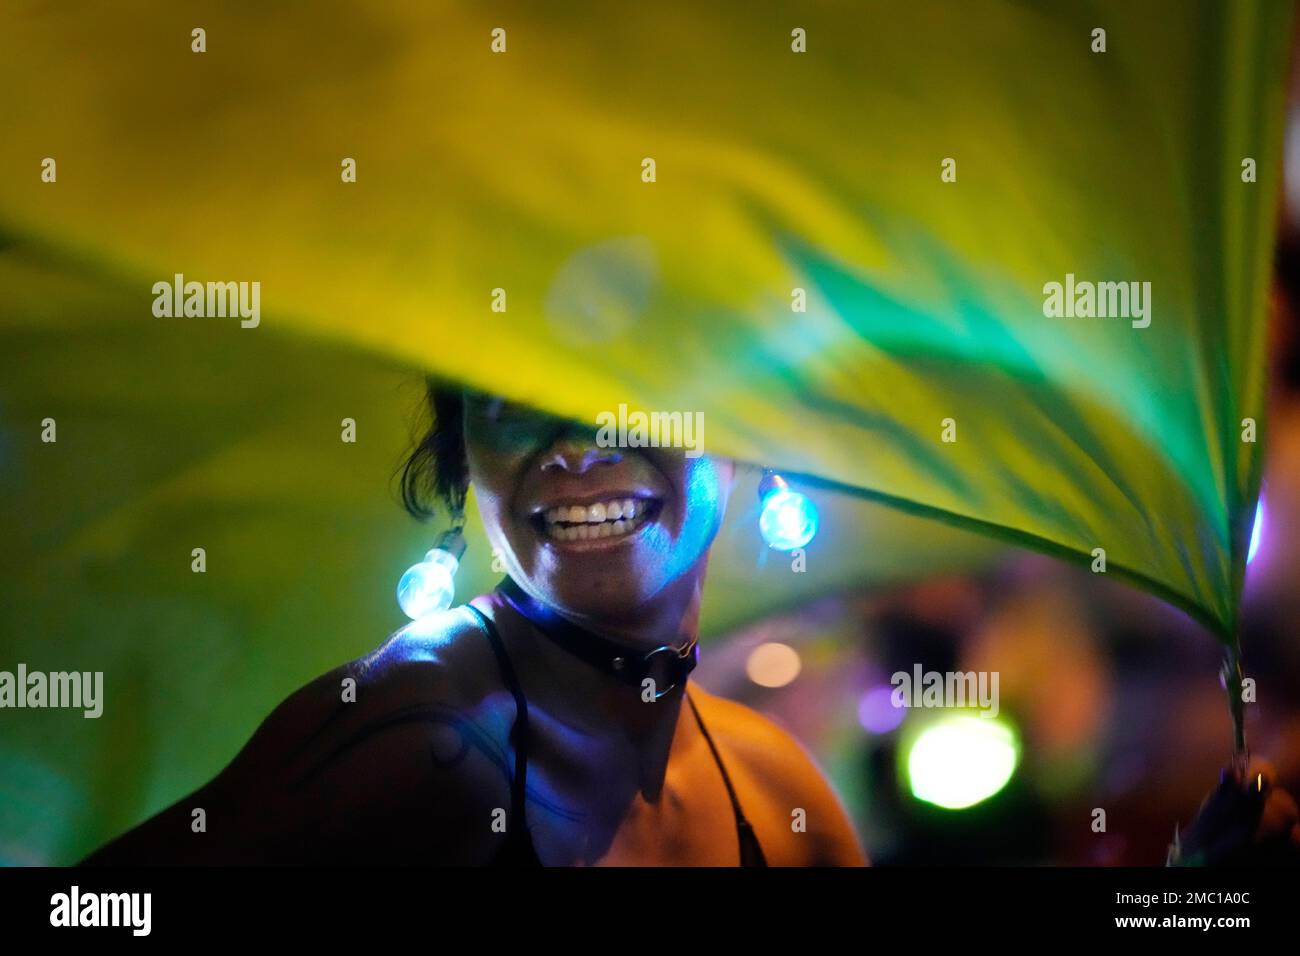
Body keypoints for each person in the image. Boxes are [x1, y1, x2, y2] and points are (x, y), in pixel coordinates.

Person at [80, 384, 869, 866]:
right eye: (511, 408)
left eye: (624, 394)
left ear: (748, 427)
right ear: (465, 460)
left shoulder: (776, 787)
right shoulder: (416, 726)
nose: (575, 451)